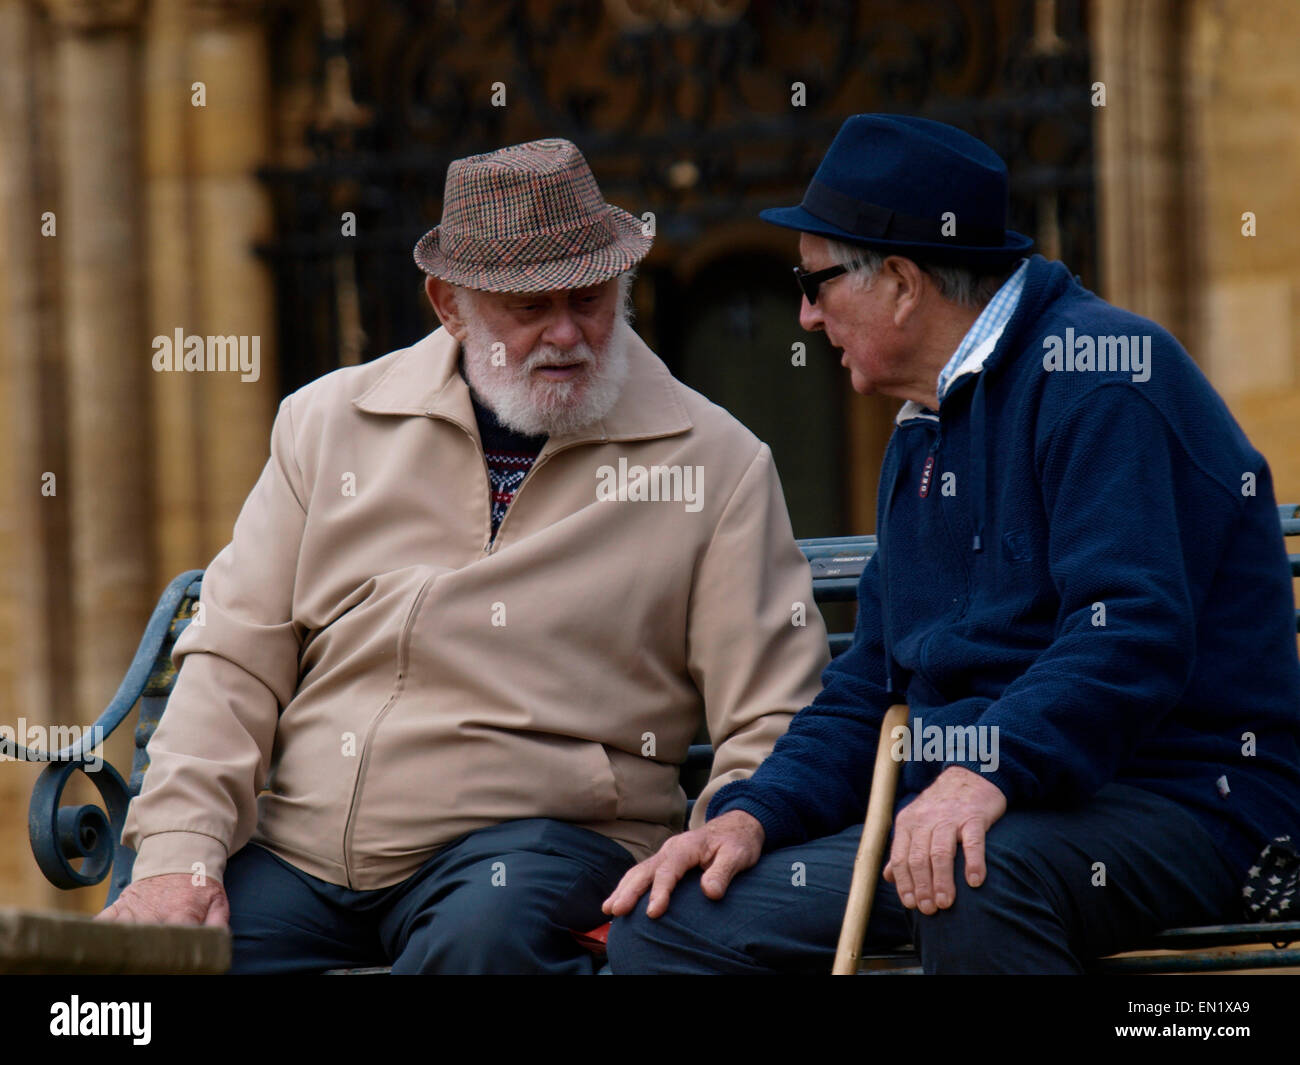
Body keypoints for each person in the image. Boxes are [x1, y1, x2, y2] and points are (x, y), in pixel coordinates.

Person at [99, 138, 829, 974]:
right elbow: (235, 662)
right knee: (150, 973)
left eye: (588, 297)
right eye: (529, 307)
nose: (567, 333)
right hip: (306, 854)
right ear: (450, 303)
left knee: (481, 944)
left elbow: (774, 718)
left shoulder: (717, 463)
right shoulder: (329, 421)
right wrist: (177, 857)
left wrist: (720, 834)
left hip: (540, 848)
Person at [603, 113, 1300, 974]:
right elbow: (873, 685)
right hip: (990, 804)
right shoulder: (927, 421)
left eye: (815, 283)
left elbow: (1130, 637)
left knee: (970, 876)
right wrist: (751, 815)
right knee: (669, 920)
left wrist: (985, 774)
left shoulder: (1105, 380)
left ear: (898, 281)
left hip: (1182, 796)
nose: (806, 316)